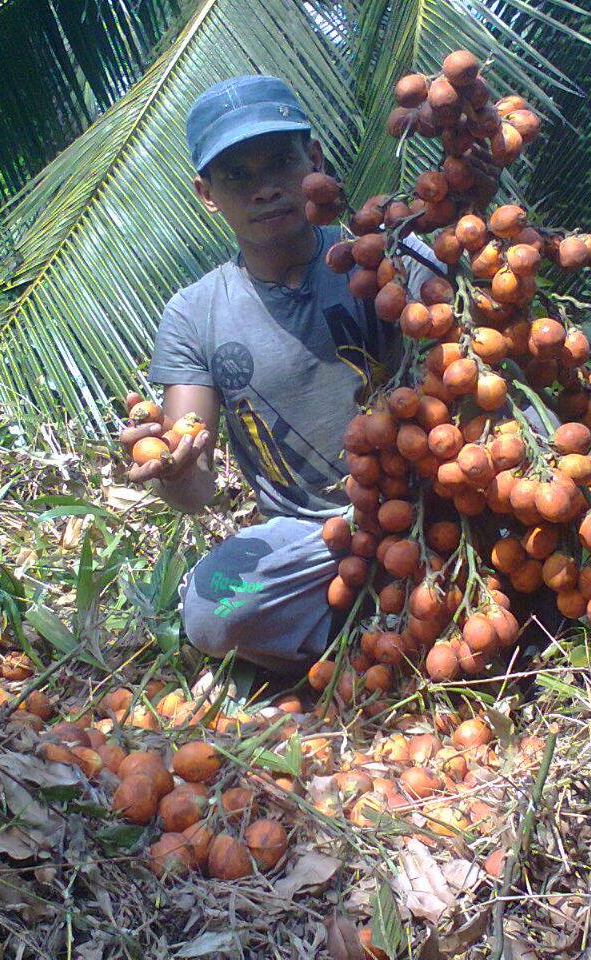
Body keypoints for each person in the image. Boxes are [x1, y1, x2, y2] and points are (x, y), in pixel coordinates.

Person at [119, 75, 558, 678]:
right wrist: (172, 474)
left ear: (315, 161)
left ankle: (455, 605)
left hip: (438, 495)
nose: (265, 188)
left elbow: (489, 329)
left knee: (534, 427)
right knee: (211, 611)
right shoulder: (195, 314)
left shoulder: (386, 254)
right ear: (207, 194)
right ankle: (374, 632)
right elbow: (193, 479)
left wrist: (470, 214)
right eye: (237, 175)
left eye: (281, 162)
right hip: (316, 538)